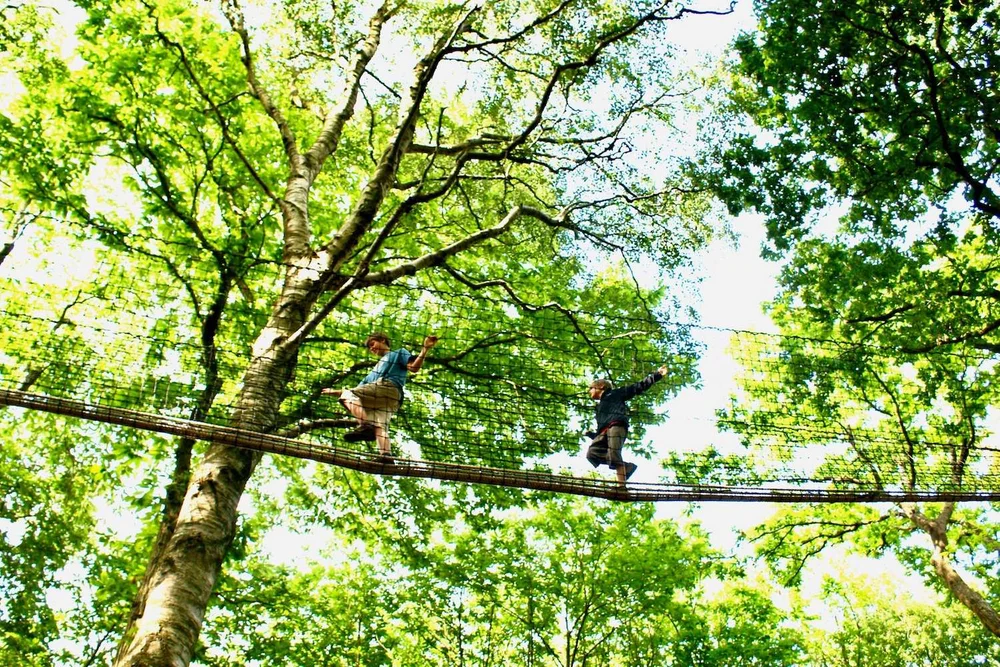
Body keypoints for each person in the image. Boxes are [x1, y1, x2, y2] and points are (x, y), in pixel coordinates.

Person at [322, 332, 438, 459]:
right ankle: (386, 456)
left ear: (383, 340)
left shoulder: (398, 353)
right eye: (370, 348)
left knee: (347, 394)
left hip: (388, 387)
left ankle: (365, 425)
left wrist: (425, 349)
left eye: (373, 344)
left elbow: (413, 367)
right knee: (379, 426)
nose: (372, 348)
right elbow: (357, 389)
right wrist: (334, 391)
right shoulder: (372, 373)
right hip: (391, 400)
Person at [585, 365, 668, 484]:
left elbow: (638, 387)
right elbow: (600, 430)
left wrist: (657, 375)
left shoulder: (616, 394)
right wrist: (592, 435)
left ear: (601, 386)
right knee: (592, 453)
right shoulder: (599, 408)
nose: (589, 391)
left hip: (616, 426)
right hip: (604, 432)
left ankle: (621, 486)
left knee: (614, 454)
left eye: (591, 388)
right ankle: (626, 467)